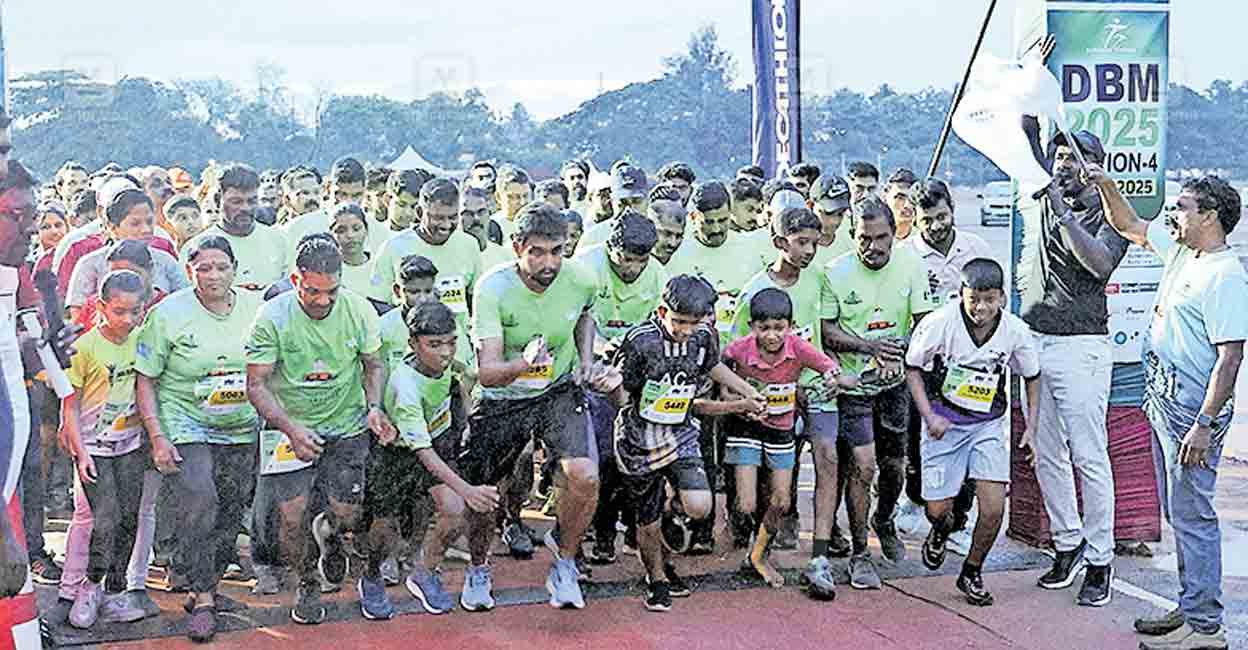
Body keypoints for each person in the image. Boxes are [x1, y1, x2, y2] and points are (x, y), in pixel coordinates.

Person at [1092, 169, 1244, 650]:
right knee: (1179, 514)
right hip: (1164, 400)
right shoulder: (1184, 254)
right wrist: (1104, 184)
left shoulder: (1224, 275)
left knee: (1193, 515)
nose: (1173, 215)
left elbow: (1230, 356)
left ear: (1210, 217)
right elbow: (1130, 226)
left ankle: (1205, 629)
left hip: (1190, 413)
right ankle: (1191, 606)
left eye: (1182, 207)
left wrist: (1202, 425)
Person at [460, 201, 609, 611]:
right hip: (502, 399)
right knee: (485, 494)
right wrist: (523, 363)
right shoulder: (492, 289)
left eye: (557, 251)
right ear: (516, 247)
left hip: (556, 391)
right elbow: (487, 372)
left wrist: (584, 359)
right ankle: (478, 568)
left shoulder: (580, 278)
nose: (549, 263)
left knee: (584, 475)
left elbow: (585, 316)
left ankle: (564, 562)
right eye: (537, 252)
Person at [245, 234, 395, 625]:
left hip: (345, 425)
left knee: (349, 513)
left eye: (332, 291)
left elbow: (373, 364)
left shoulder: (359, 310)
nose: (323, 300)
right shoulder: (272, 317)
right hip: (287, 428)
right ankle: (307, 582)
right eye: (313, 291)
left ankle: (331, 537)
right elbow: (256, 385)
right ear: (296, 280)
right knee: (291, 518)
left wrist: (375, 407)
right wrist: (291, 429)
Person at [605, 274, 765, 612]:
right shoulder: (640, 341)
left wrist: (747, 390)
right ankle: (657, 580)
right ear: (662, 310)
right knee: (645, 519)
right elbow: (621, 397)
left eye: (694, 323)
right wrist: (608, 384)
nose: (686, 330)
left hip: (681, 433)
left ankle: (670, 517)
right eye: (679, 322)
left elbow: (712, 367)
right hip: (639, 439)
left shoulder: (704, 335)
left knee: (699, 505)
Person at [134, 235, 266, 642]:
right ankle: (203, 596)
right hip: (186, 420)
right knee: (200, 498)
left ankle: (206, 584)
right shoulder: (168, 314)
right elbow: (146, 378)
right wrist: (157, 435)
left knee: (230, 510)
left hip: (241, 425)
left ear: (235, 270)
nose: (213, 276)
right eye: (203, 268)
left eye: (221, 267)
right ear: (189, 271)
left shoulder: (255, 310)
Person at [1018, 130, 1127, 606]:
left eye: (1073, 157)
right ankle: (1068, 543)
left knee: (1088, 454)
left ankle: (1100, 559)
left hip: (1082, 347)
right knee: (1045, 453)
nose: (1061, 163)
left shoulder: (1110, 213)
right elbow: (1026, 133)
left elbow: (1100, 264)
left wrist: (1062, 213)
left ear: (1095, 166)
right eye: (1058, 155)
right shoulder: (1044, 188)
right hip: (1034, 343)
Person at [905, 258, 1041, 607]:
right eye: (973, 300)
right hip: (944, 426)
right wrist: (927, 415)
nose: (981, 308)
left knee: (994, 509)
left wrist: (1032, 427)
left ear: (1002, 298)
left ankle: (972, 570)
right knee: (936, 510)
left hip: (988, 425)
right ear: (960, 295)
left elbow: (1032, 375)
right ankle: (940, 529)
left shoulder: (1014, 331)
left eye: (990, 299)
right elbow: (913, 369)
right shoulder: (939, 324)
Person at [732, 206, 851, 589]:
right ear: (779, 242)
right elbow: (731, 354)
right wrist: (744, 398)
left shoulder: (819, 277)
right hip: (766, 402)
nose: (809, 251)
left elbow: (826, 331)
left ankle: (819, 555)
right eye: (801, 242)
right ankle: (758, 546)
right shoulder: (754, 291)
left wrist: (832, 372)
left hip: (814, 388)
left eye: (815, 243)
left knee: (828, 458)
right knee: (768, 486)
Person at [358, 301, 500, 619]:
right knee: (386, 528)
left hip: (437, 442)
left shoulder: (450, 359)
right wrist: (468, 489)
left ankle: (423, 571)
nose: (445, 352)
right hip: (399, 454)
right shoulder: (405, 387)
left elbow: (465, 376)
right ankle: (370, 575)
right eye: (434, 345)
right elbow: (423, 454)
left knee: (453, 510)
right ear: (413, 344)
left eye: (450, 342)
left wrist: (465, 419)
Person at [822, 194, 934, 588]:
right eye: (863, 238)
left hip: (895, 384)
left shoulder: (912, 265)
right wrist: (868, 347)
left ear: (895, 234)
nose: (873, 247)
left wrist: (902, 350)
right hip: (853, 388)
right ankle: (859, 553)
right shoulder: (834, 272)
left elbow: (925, 321)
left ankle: (883, 518)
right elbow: (826, 330)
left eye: (881, 237)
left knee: (893, 467)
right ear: (853, 235)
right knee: (862, 466)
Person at [896, 178, 993, 544]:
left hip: (969, 363)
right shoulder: (906, 254)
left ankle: (958, 521)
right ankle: (915, 496)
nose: (936, 226)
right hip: (924, 362)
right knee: (918, 437)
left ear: (952, 209)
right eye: (927, 220)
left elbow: (994, 301)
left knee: (965, 437)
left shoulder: (977, 248)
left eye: (942, 216)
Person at [574, 212, 666, 563]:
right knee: (592, 458)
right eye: (624, 259)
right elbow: (578, 318)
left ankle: (617, 528)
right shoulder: (585, 267)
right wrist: (599, 349)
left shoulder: (657, 274)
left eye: (639, 261)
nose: (631, 268)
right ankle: (592, 533)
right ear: (610, 248)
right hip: (587, 370)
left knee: (626, 456)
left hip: (630, 373)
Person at [60, 271, 151, 629]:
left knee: (130, 518)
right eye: (119, 311)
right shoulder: (85, 348)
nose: (127, 320)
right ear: (101, 307)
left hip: (130, 446)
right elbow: (70, 404)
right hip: (94, 448)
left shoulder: (143, 340)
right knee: (106, 518)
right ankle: (90, 585)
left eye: (135, 311)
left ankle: (115, 591)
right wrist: (80, 453)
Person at [372, 179, 480, 369]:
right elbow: (378, 303)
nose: (446, 225)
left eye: (453, 217)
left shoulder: (469, 245)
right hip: (407, 355)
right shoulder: (394, 247)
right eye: (438, 218)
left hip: (456, 355)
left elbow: (475, 300)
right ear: (420, 213)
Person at [666, 181, 772, 344]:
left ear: (731, 213)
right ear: (693, 217)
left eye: (722, 220)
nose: (716, 229)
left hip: (742, 349)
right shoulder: (677, 251)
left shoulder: (752, 247)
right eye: (708, 222)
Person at [65, 189, 187, 324]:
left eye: (149, 222)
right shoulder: (90, 264)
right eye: (135, 224)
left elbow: (184, 306)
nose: (146, 229)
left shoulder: (166, 261)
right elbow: (79, 318)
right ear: (112, 227)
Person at [181, 164, 286, 292]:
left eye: (252, 201)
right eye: (236, 202)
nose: (245, 208)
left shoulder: (279, 240)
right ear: (219, 200)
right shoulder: (195, 247)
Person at [281, 158, 366, 261]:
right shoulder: (297, 228)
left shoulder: (379, 231)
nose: (348, 202)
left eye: (356, 195)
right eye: (342, 194)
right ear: (327, 188)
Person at [328, 203, 375, 298]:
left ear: (366, 230)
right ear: (331, 235)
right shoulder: (327, 270)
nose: (350, 235)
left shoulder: (380, 265)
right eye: (341, 231)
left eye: (356, 229)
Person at [808, 174, 854, 269]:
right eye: (827, 213)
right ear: (810, 205)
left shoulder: (853, 235)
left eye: (840, 213)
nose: (835, 221)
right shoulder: (794, 241)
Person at [490, 165, 534, 243]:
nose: (522, 202)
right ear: (498, 197)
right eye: (515, 197)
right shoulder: (492, 227)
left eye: (525, 196)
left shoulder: (538, 225)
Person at [883, 168, 919, 240]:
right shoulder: (870, 235)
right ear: (885, 197)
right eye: (900, 198)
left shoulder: (925, 240)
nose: (907, 205)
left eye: (912, 198)